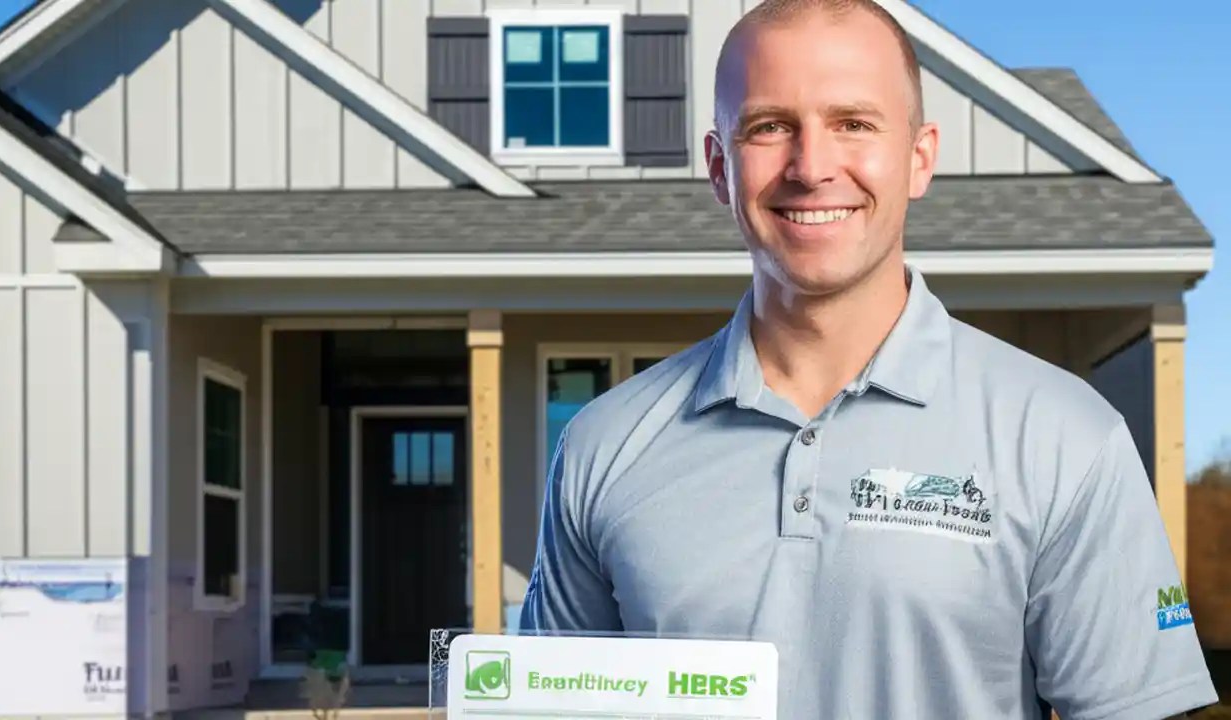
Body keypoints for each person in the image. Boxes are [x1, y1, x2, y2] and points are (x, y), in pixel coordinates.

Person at [519, 0, 1219, 717]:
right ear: (720, 167)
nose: (812, 167)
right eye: (769, 127)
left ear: (920, 158)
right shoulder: (604, 446)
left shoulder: (1062, 437)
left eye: (852, 123)